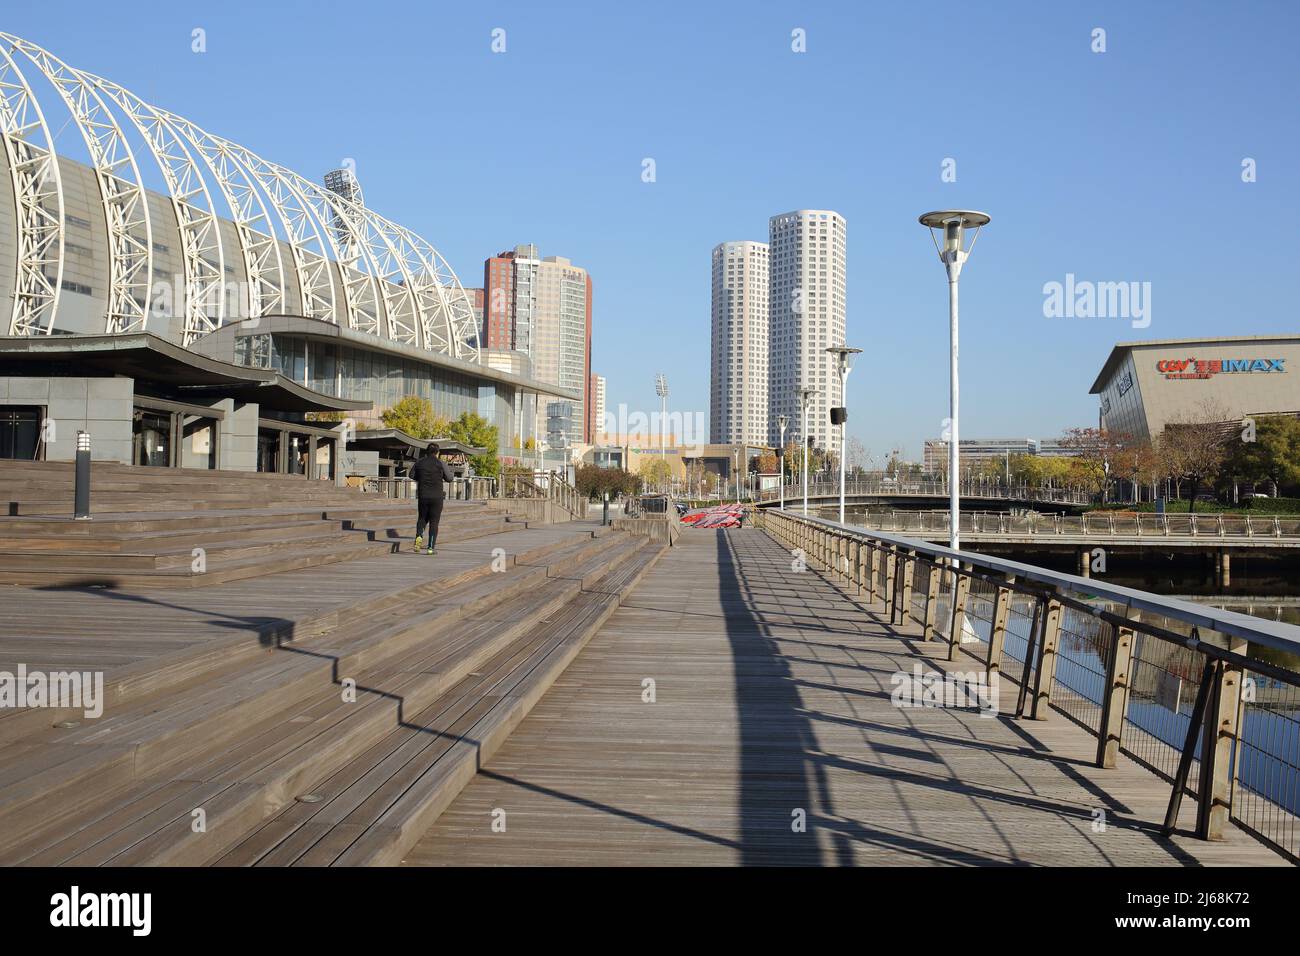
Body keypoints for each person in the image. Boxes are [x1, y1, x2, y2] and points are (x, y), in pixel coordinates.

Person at [408, 443, 454, 554]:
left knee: (422, 518)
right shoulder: (441, 463)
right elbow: (449, 478)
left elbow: (411, 475)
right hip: (437, 497)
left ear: (427, 451)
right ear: (437, 452)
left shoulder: (419, 462)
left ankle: (419, 537)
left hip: (423, 496)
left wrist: (421, 477)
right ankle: (430, 548)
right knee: (434, 522)